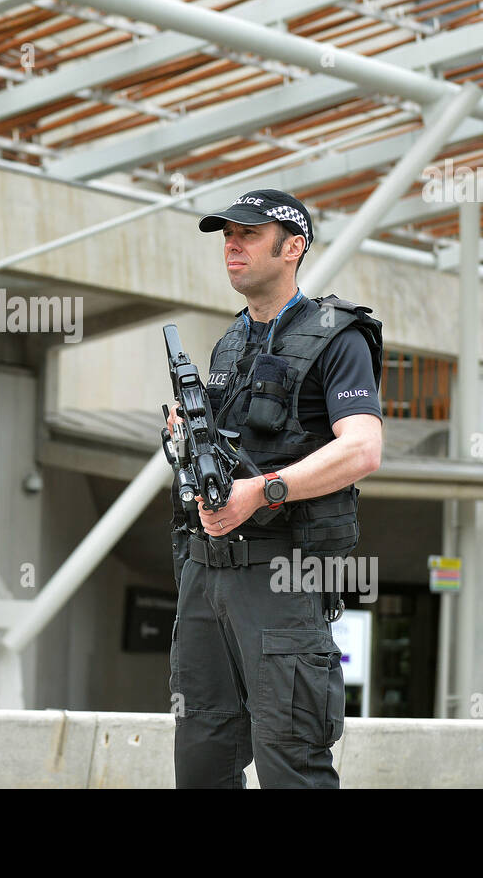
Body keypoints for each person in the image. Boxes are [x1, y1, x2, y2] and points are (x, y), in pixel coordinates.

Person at [167, 188, 384, 789]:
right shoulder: (230, 342)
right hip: (206, 575)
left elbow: (363, 447)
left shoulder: (338, 336)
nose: (232, 245)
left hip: (283, 575)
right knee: (202, 763)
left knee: (292, 765)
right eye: (226, 234)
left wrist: (263, 492)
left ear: (294, 247)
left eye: (249, 234)